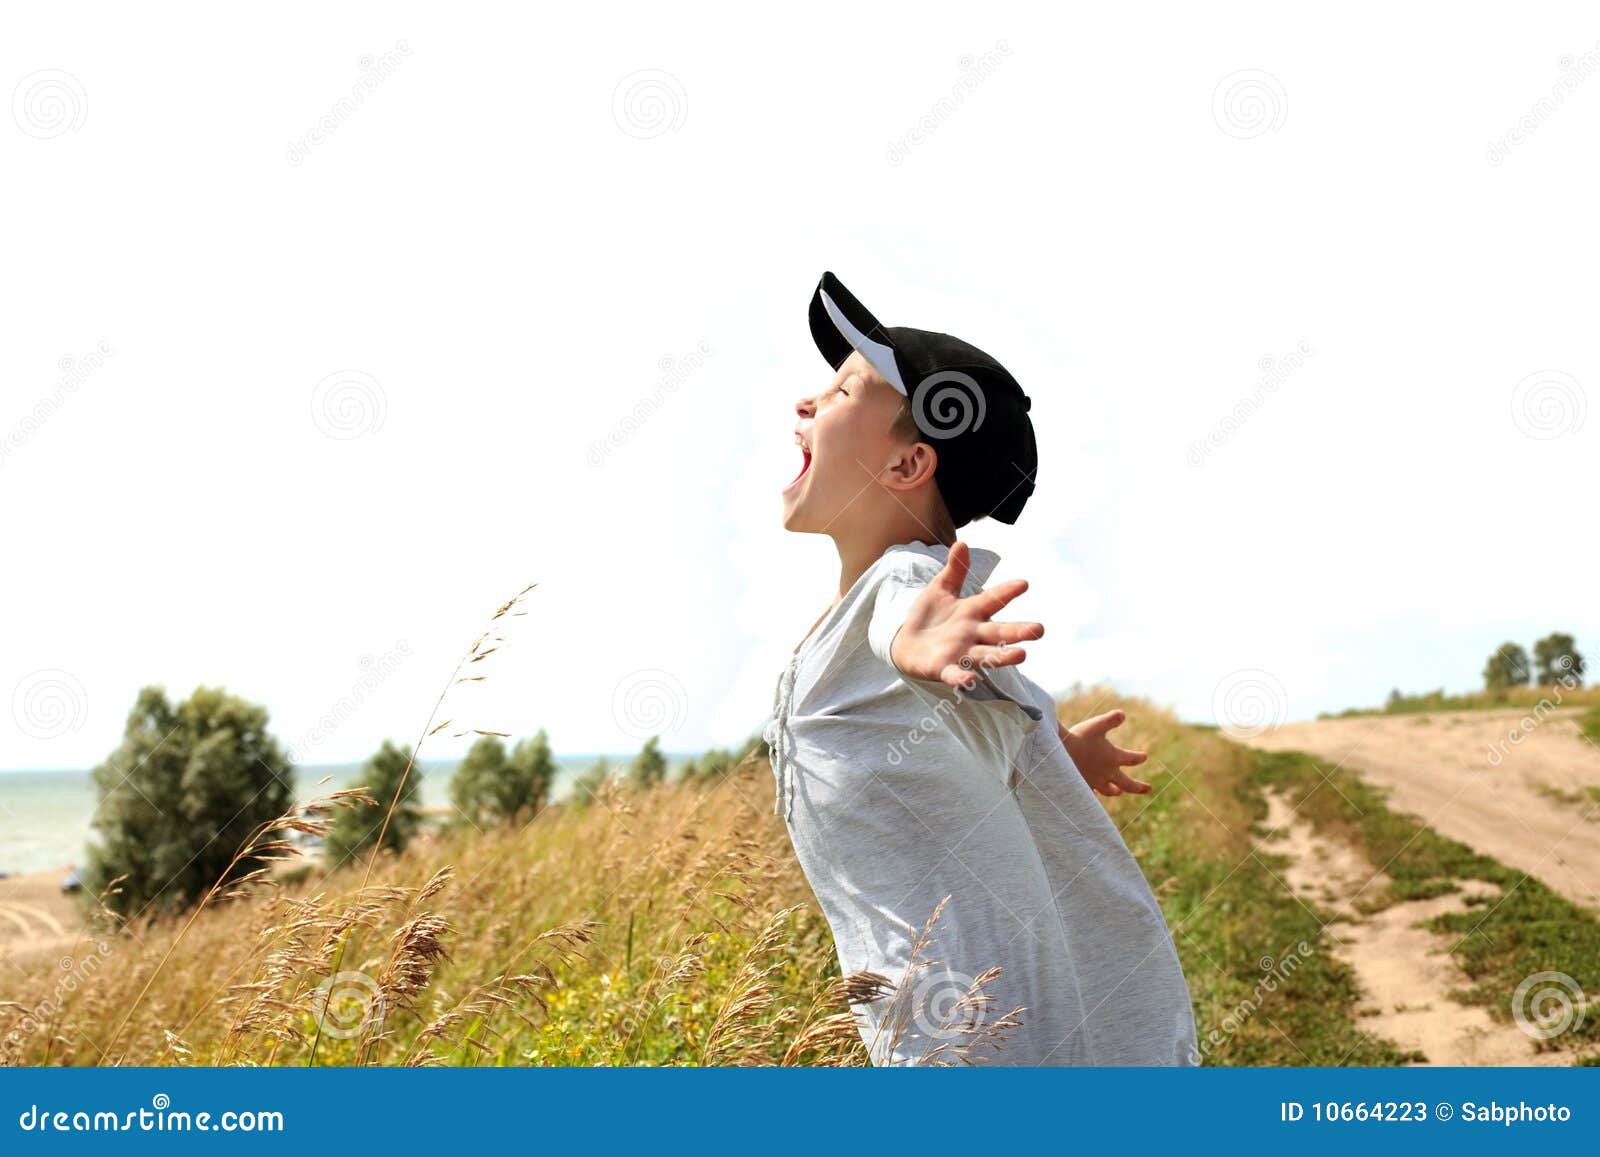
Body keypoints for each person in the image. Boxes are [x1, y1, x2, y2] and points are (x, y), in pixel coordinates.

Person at [764, 272, 1198, 1065]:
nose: (806, 401)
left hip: (964, 1042)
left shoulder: (905, 592)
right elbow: (973, 706)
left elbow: (910, 627)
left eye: (842, 391)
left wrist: (915, 647)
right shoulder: (879, 605)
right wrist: (1055, 749)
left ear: (907, 465)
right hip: (969, 1024)